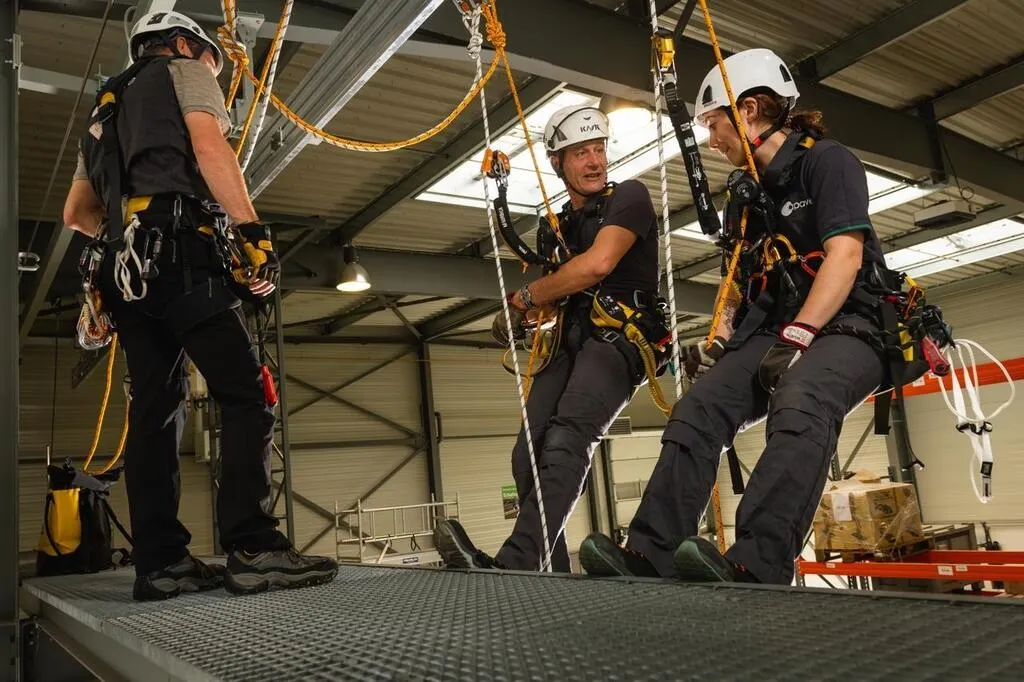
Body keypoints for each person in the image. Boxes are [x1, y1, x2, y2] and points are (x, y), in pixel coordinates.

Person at [578, 48, 892, 585]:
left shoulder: (827, 161)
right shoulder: (742, 197)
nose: (711, 139)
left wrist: (798, 334)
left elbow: (846, 257)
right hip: (774, 330)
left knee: (802, 398)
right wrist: (719, 344)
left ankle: (760, 562)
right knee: (698, 409)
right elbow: (739, 288)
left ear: (748, 111)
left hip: (851, 324)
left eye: (715, 123)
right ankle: (650, 553)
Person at [61, 10, 337, 600]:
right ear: (184, 43)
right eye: (210, 57)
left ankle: (161, 565)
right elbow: (212, 150)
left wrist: (125, 246)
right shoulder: (184, 70)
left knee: (156, 414)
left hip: (125, 272)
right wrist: (251, 232)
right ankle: (254, 547)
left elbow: (77, 215)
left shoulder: (104, 108)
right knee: (246, 394)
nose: (212, 69)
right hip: (180, 254)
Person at [433, 105, 669, 573]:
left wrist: (524, 297)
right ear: (557, 162)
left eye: (599, 149)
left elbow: (596, 266)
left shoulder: (631, 197)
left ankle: (516, 562)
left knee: (566, 439)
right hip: (572, 340)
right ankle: (549, 572)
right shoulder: (556, 226)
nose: (594, 161)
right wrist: (520, 315)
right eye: (580, 152)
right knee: (527, 454)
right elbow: (552, 296)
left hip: (621, 339)